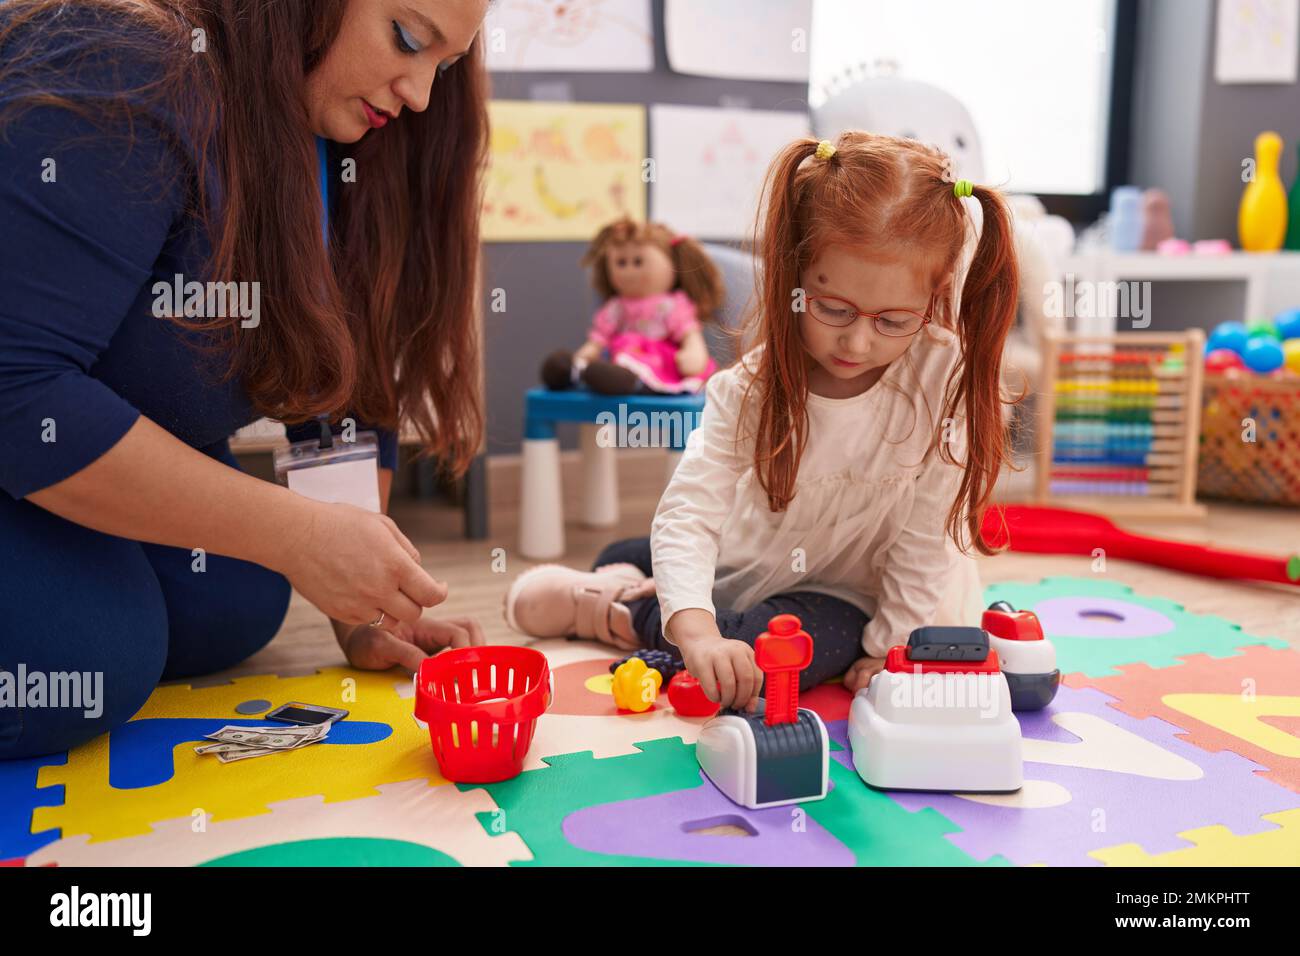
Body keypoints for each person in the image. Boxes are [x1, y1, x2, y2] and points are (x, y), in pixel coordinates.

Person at [0, 0, 492, 760]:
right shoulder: (128, 66)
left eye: (446, 65)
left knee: (231, 599)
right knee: (84, 660)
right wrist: (294, 533)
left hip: (52, 451)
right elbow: (17, 389)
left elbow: (338, 392)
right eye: (405, 39)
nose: (421, 94)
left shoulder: (323, 126)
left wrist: (367, 608)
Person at [504, 133, 1019, 710]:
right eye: (833, 309)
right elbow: (691, 511)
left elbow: (924, 540)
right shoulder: (749, 387)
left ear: (936, 294)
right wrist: (697, 633)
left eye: (893, 319)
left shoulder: (947, 383)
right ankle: (625, 586)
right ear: (795, 278)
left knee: (778, 659)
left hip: (857, 592)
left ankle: (620, 605)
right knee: (658, 566)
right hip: (757, 558)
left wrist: (888, 647)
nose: (856, 340)